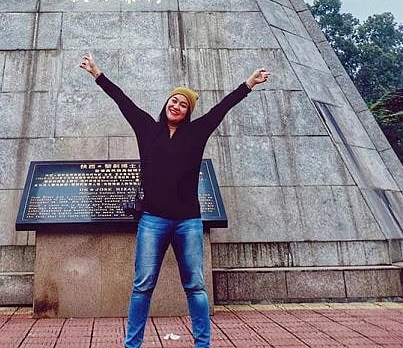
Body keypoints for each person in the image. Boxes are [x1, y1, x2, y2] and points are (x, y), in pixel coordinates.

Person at [80, 53, 269, 348]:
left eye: (183, 104)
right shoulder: (147, 128)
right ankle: (132, 345)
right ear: (166, 103)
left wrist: (248, 84)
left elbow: (222, 108)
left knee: (195, 286)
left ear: (188, 111)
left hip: (188, 222)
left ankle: (202, 345)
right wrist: (97, 73)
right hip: (152, 220)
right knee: (142, 286)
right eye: (173, 100)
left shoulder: (197, 133)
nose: (176, 106)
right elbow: (123, 101)